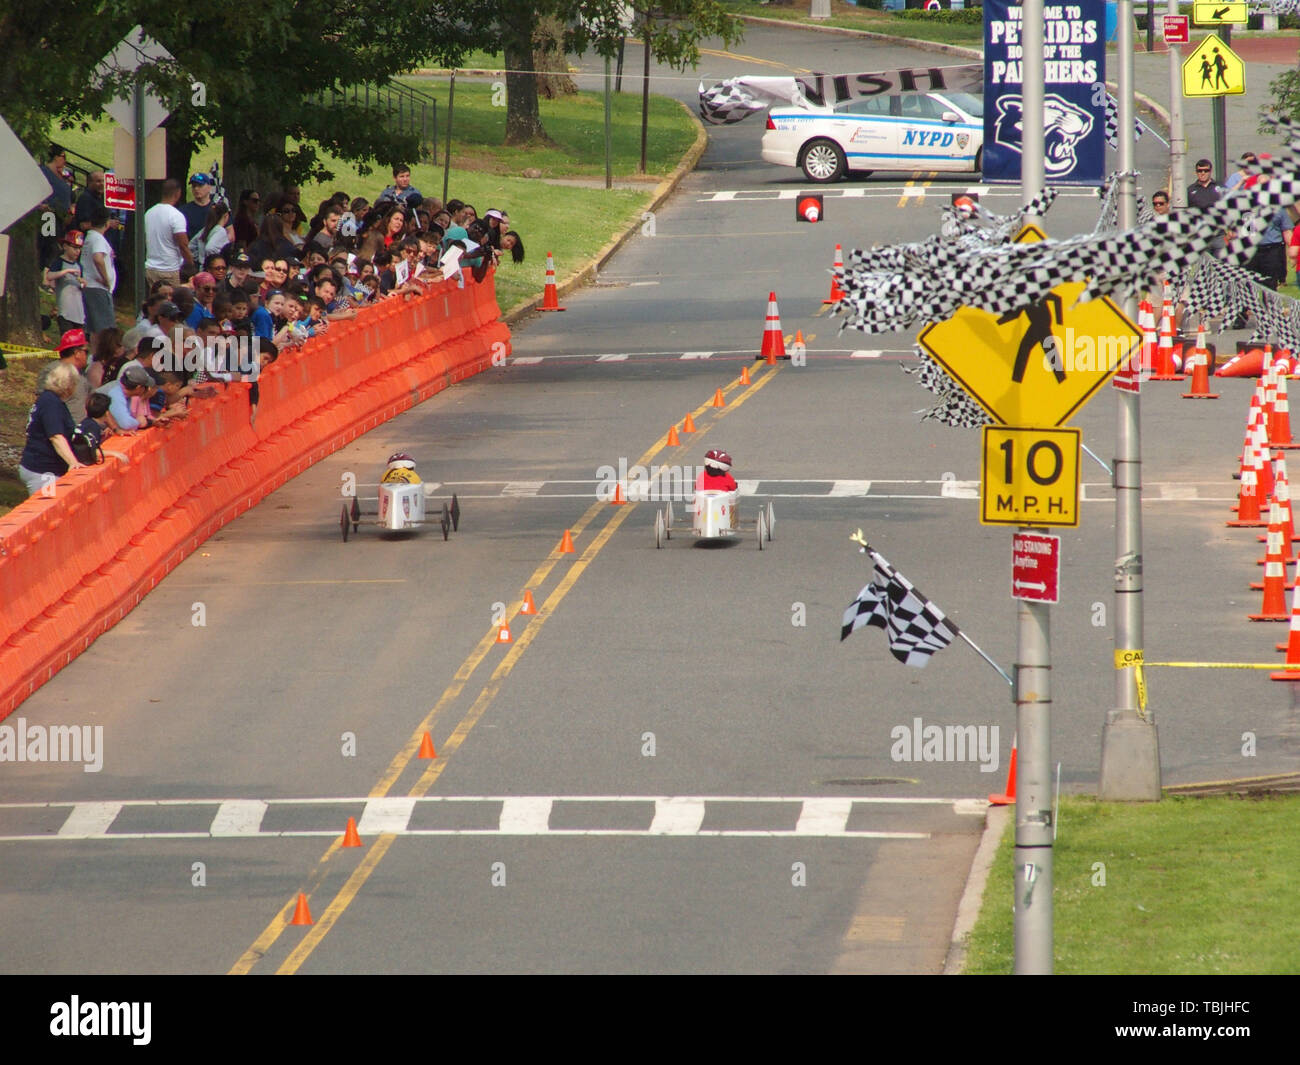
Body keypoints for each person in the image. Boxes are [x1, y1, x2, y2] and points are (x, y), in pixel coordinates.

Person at [19, 362, 85, 495]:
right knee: (47, 510)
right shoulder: (51, 404)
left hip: (43, 467)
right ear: (69, 385)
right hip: (44, 470)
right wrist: (73, 462)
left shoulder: (48, 399)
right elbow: (56, 436)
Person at [144, 178, 194, 286]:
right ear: (178, 193)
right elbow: (183, 245)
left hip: (150, 267)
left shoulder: (149, 213)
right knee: (170, 301)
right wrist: (191, 265)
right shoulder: (176, 215)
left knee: (155, 301)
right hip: (169, 269)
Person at [37, 329, 91, 424]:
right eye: (86, 351)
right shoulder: (53, 371)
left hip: (79, 431)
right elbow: (43, 404)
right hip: (60, 431)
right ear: (77, 353)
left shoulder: (81, 372)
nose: (88, 356)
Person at [80, 207, 118, 335]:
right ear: (107, 223)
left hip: (91, 286)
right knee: (106, 330)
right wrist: (106, 279)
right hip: (98, 288)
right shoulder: (97, 239)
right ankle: (104, 354)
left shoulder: (90, 237)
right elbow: (98, 258)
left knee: (95, 330)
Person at [44, 230, 86, 335]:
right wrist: (66, 271)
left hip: (79, 312)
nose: (77, 251)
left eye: (79, 248)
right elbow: (49, 276)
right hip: (65, 311)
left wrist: (83, 283)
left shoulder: (79, 266)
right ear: (65, 246)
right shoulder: (59, 262)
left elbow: (83, 283)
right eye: (74, 247)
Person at [180, 172, 218, 237]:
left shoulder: (217, 209)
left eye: (200, 185)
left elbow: (230, 233)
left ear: (209, 187)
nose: (196, 189)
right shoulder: (183, 211)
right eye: (194, 186)